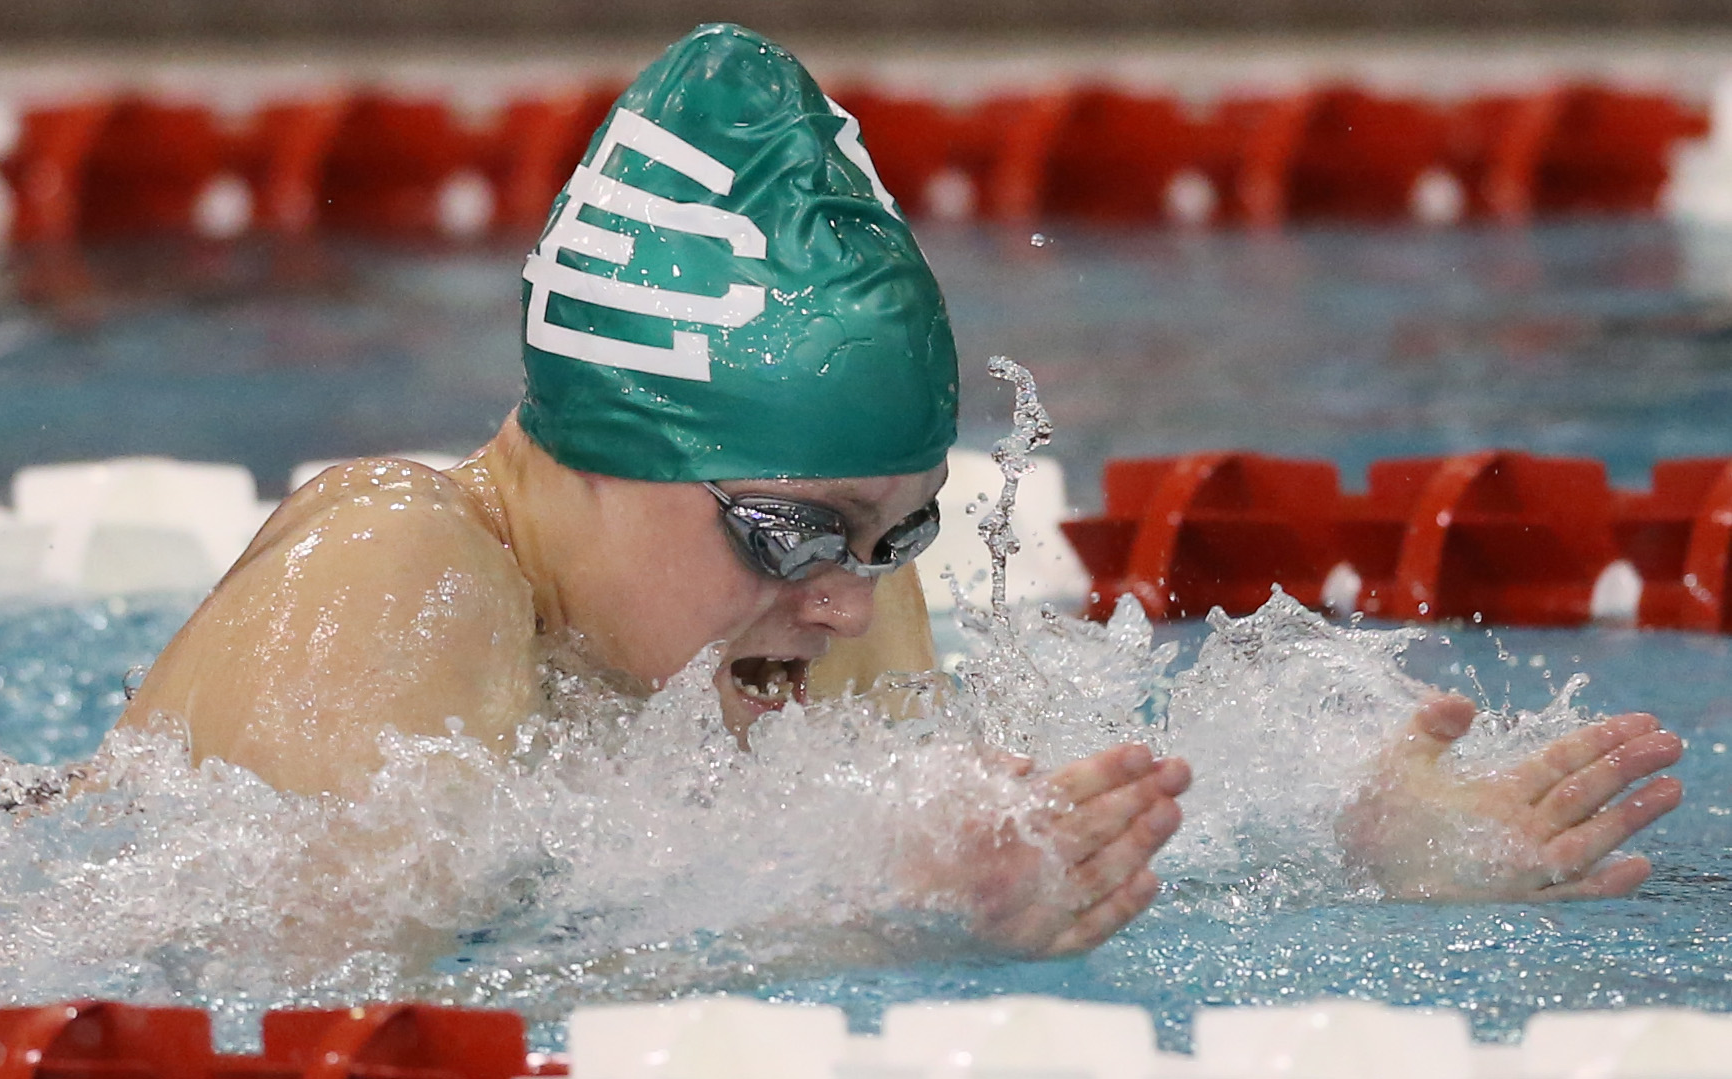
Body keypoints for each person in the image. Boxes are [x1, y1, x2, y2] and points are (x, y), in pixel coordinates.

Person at [116, 23, 1682, 957]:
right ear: (604, 453)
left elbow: (1021, 857)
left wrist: (1349, 856)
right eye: (787, 530)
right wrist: (866, 918)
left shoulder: (821, 600)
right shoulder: (400, 565)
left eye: (896, 532)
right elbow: (320, 1004)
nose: (849, 602)